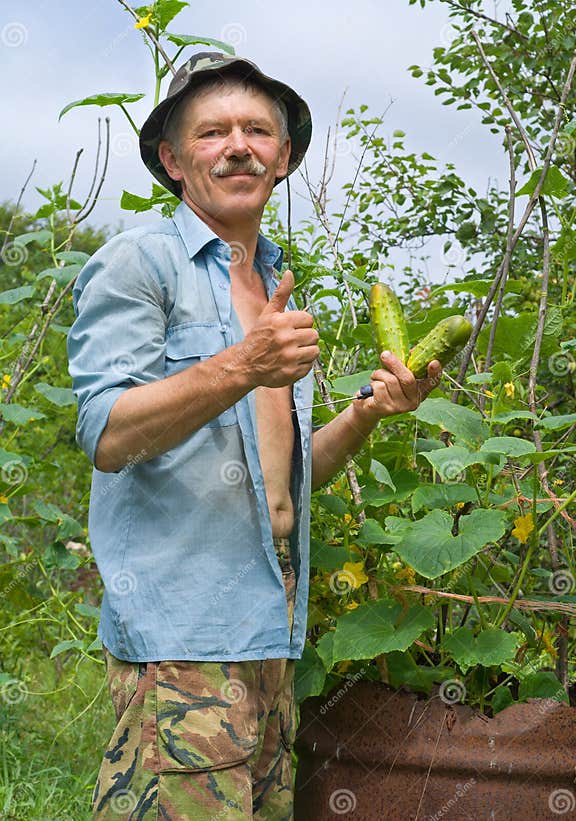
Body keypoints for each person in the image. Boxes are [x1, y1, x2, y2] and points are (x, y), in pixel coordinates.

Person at [67, 51, 441, 821]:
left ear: (285, 155)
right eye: (211, 132)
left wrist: (371, 408)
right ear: (172, 159)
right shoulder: (141, 263)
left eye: (257, 130)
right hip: (182, 638)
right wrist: (242, 364)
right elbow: (105, 433)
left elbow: (289, 480)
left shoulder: (274, 281)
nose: (238, 145)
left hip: (271, 626)